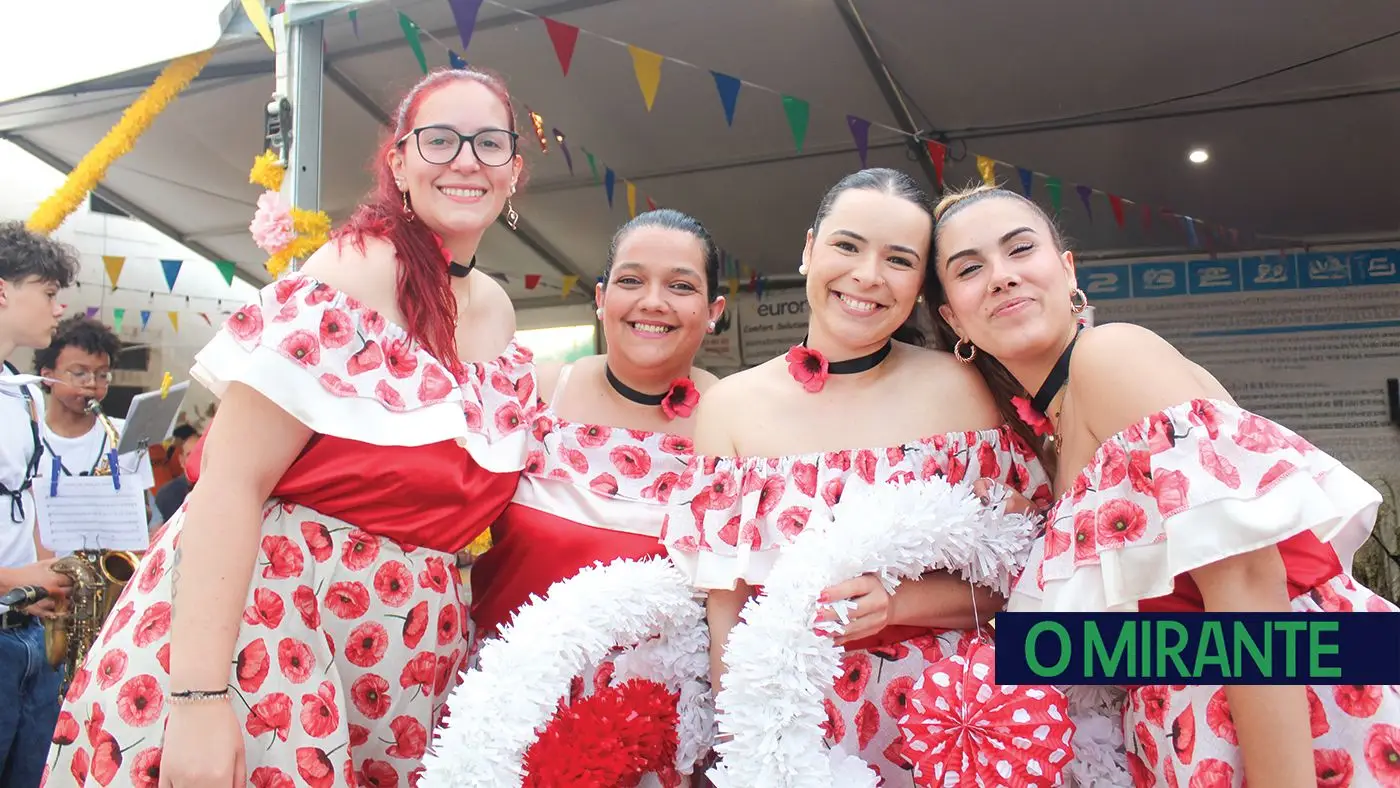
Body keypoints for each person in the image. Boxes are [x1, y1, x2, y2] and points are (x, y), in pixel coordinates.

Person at [47, 67, 537, 788]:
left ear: (514, 171)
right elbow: (229, 486)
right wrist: (201, 702)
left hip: (399, 669)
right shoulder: (352, 271)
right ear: (399, 161)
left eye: (488, 143)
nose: (466, 159)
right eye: (440, 139)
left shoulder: (495, 309)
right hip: (271, 638)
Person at [925, 183, 1400, 787]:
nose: (1001, 276)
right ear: (951, 317)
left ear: (1067, 269)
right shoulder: (1058, 431)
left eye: (1020, 250)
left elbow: (1250, 581)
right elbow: (1150, 642)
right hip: (1193, 735)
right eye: (970, 269)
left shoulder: (1111, 356)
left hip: (1306, 726)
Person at [663, 169, 1051, 783]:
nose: (868, 276)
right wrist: (742, 756)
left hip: (956, 723)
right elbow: (725, 616)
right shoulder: (730, 408)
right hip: (800, 733)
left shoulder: (965, 388)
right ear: (810, 248)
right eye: (847, 246)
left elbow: (1031, 579)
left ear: (921, 282)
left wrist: (900, 602)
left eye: (898, 260)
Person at [466, 209, 726, 782]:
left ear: (713, 313)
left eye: (681, 286)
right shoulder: (533, 393)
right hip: (500, 712)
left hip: (647, 734)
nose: (653, 301)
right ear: (601, 297)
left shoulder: (738, 427)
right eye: (632, 281)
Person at [0, 221, 78, 788]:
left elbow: (27, 503)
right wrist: (18, 577)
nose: (60, 308)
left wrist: (49, 576)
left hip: (29, 636)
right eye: (49, 292)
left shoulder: (23, 393)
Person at [33, 316, 155, 490]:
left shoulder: (126, 435)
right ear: (47, 376)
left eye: (102, 375)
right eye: (79, 373)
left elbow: (145, 510)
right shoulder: (27, 436)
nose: (91, 383)